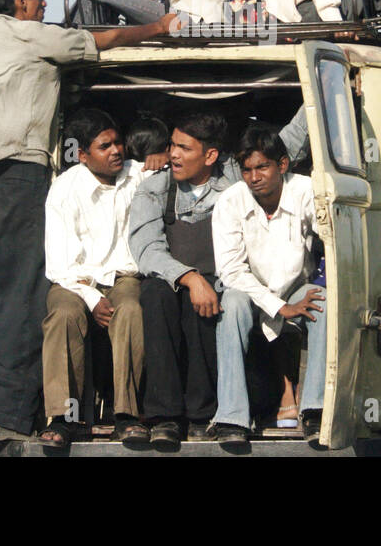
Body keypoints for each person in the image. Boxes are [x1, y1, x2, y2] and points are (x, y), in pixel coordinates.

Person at [0, 0, 177, 440]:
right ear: (20, 2)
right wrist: (157, 27)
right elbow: (97, 43)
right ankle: (10, 410)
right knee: (22, 296)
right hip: (21, 174)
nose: (45, 4)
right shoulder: (28, 34)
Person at [127, 108, 309, 449]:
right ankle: (164, 416)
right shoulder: (154, 188)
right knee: (154, 295)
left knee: (216, 302)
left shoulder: (236, 177)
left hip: (224, 282)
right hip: (174, 281)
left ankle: (203, 415)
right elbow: (147, 250)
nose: (174, 154)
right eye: (172, 145)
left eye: (184, 148)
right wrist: (189, 277)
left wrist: (324, 82)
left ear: (211, 155)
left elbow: (288, 144)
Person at [40, 109, 152, 448]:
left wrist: (159, 155)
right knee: (63, 316)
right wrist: (91, 298)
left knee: (131, 310)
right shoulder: (65, 188)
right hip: (75, 281)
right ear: (84, 155)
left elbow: (167, 170)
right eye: (105, 146)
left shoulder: (137, 175)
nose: (116, 150)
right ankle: (64, 419)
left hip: (123, 276)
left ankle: (126, 415)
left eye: (118, 142)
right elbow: (59, 264)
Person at [212, 124, 326, 445]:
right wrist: (278, 306)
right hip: (249, 291)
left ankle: (315, 410)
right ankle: (232, 417)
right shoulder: (230, 201)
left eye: (262, 166)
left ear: (283, 165)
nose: (254, 177)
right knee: (230, 303)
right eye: (247, 170)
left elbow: (332, 237)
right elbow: (231, 271)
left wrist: (296, 298)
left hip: (296, 287)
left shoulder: (304, 190)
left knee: (323, 300)